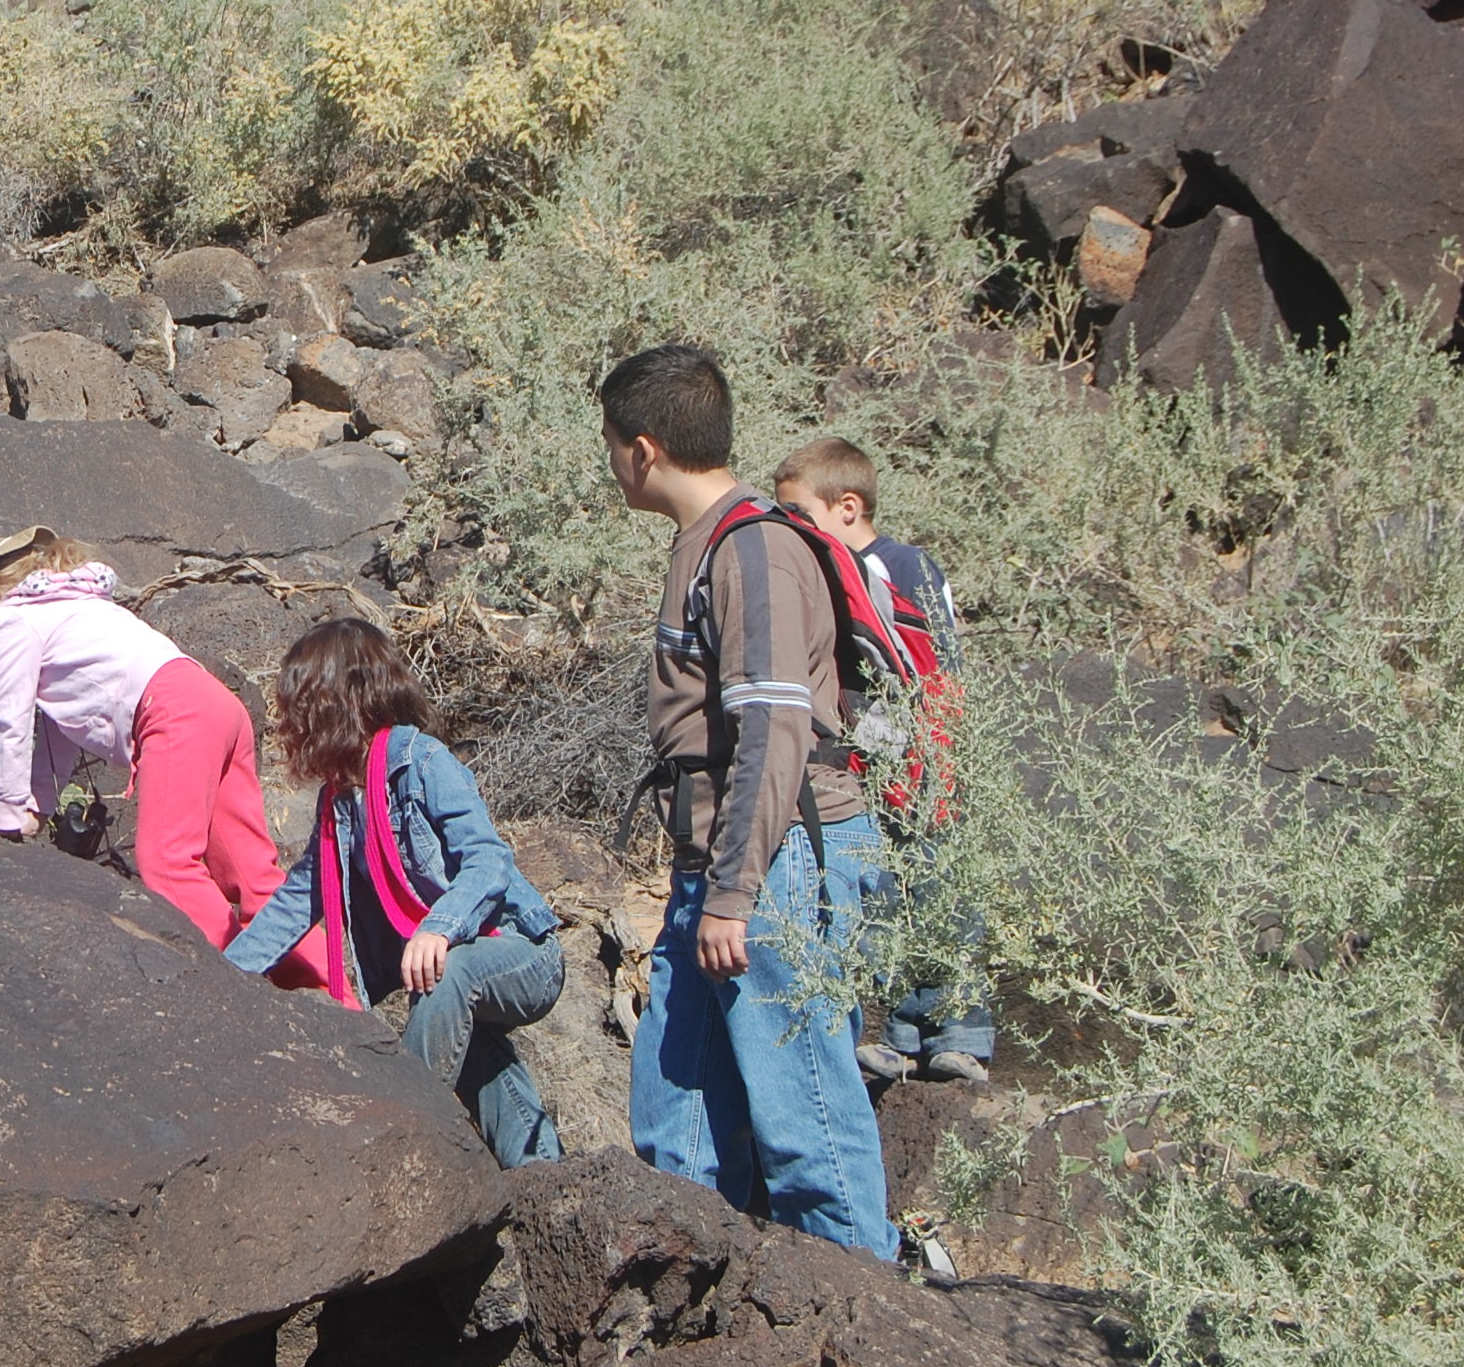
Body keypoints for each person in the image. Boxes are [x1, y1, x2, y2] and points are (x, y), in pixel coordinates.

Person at [603, 345, 898, 1261]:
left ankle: (865, 1306)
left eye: (610, 445)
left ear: (643, 450)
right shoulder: (709, 543)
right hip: (721, 858)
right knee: (676, 1112)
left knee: (804, 1109)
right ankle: (690, 1294)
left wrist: (734, 892)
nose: (611, 464)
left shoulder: (753, 549)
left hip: (774, 860)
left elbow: (773, 732)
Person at [225, 619, 568, 1167]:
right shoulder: (340, 802)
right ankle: (542, 1175)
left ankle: (401, 1132)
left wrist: (439, 928)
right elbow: (297, 900)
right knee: (485, 1065)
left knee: (448, 974)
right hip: (452, 969)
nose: (291, 723)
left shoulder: (423, 760)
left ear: (334, 703)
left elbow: (489, 860)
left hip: (523, 951)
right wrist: (223, 977)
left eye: (299, 706)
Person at [0, 527, 288, 951]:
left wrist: (7, 816)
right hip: (215, 702)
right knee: (251, 871)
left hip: (170, 711)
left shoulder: (10, 617)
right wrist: (37, 807)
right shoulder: (81, 600)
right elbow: (60, 725)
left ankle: (238, 975)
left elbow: (11, 721)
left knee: (167, 863)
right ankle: (323, 984)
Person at [773, 436, 991, 1087]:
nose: (792, 527)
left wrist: (927, 755)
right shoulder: (825, 573)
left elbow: (935, 666)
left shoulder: (901, 566)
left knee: (939, 893)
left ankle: (958, 1033)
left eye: (799, 512)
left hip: (920, 763)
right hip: (867, 769)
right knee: (879, 899)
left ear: (848, 506)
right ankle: (898, 1035)